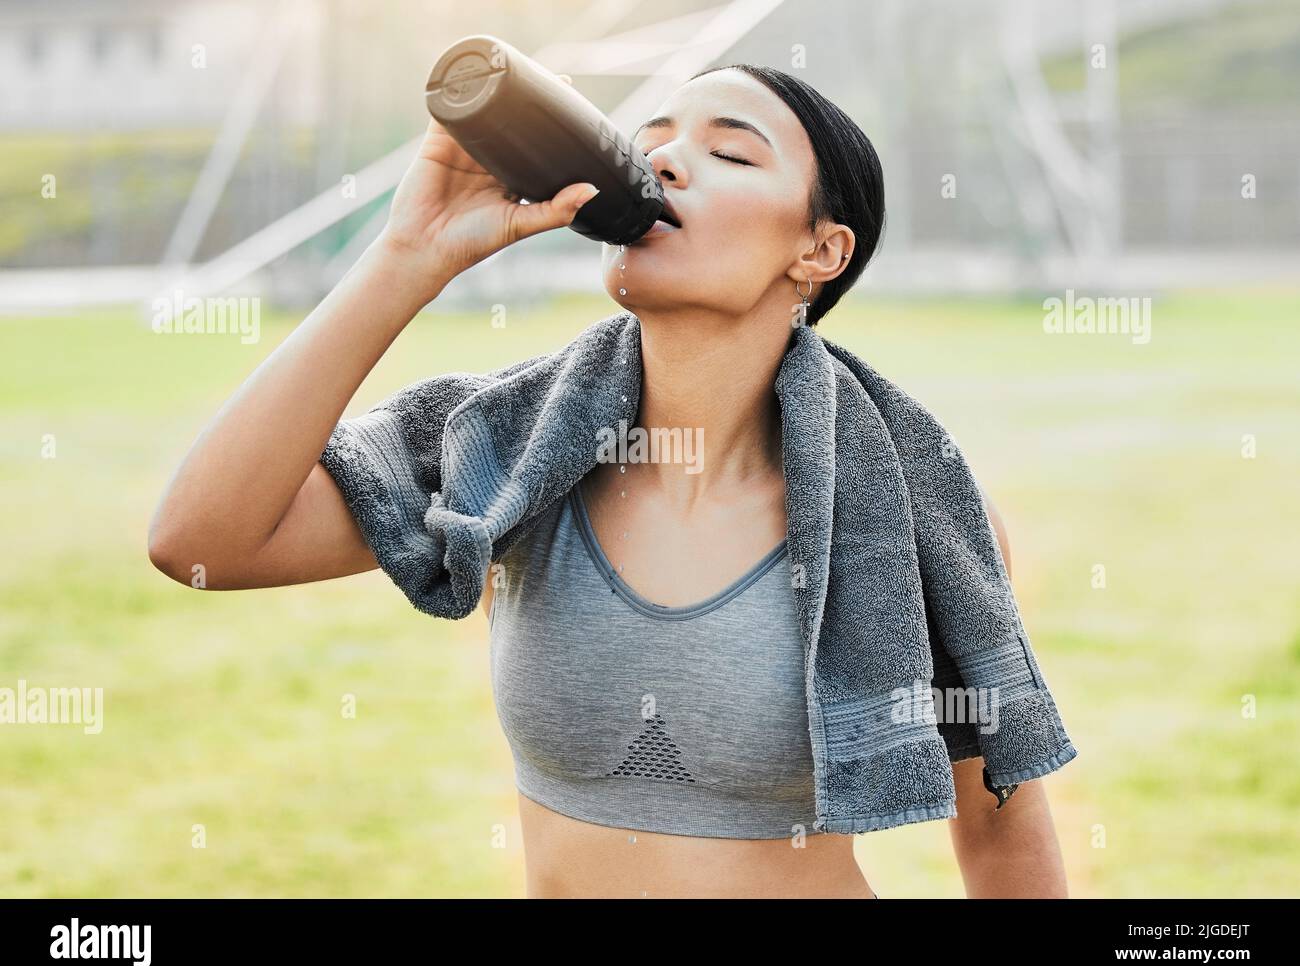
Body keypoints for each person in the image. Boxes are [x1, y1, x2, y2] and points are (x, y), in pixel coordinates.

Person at [148, 64, 1070, 898]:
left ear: (820, 252)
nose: (666, 162)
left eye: (730, 154)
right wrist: (406, 260)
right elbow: (200, 544)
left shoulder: (905, 507)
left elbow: (999, 830)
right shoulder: (512, 458)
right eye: (657, 139)